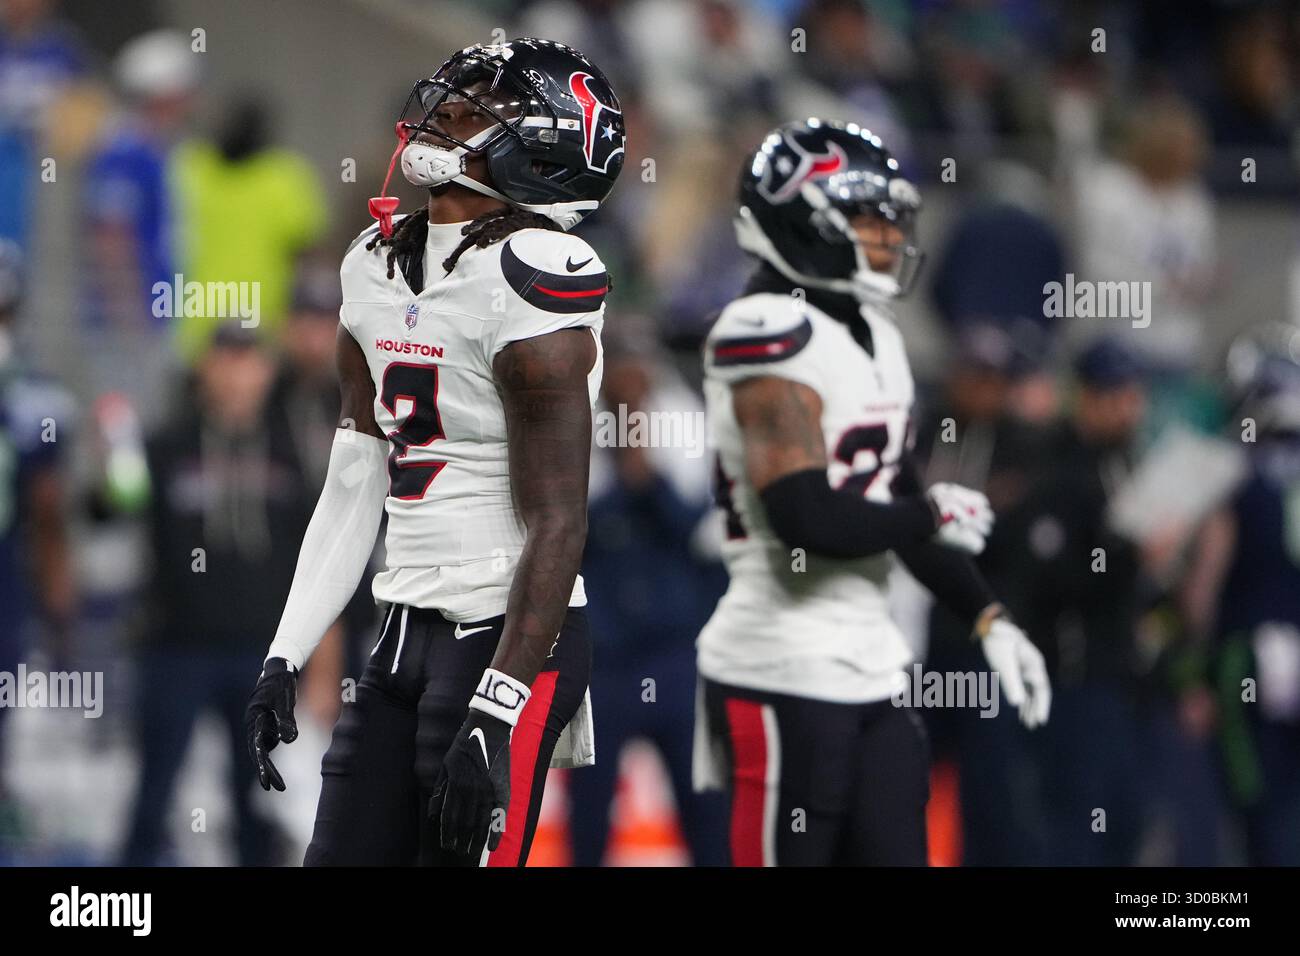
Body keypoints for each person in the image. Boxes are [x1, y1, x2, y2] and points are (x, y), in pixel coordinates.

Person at [245, 38, 625, 867]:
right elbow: (355, 480)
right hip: (399, 626)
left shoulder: (539, 271)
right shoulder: (373, 262)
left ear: (552, 142)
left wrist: (499, 707)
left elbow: (559, 522)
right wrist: (287, 649)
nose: (449, 112)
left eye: (482, 104)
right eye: (452, 97)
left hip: (509, 629)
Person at [692, 119, 1051, 866]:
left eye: (892, 220)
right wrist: (926, 512)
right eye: (868, 217)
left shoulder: (879, 333)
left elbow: (898, 491)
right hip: (778, 666)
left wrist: (987, 617)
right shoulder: (762, 329)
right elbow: (805, 515)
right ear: (801, 216)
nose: (888, 237)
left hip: (874, 662)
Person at [120, 323, 307, 866]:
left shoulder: (292, 449)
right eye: (225, 357)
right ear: (204, 367)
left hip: (262, 654)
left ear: (267, 370)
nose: (236, 371)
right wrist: (113, 460)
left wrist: (319, 657)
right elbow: (104, 506)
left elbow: (321, 552)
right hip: (175, 646)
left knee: (258, 797)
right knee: (155, 788)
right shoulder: (163, 445)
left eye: (249, 357)